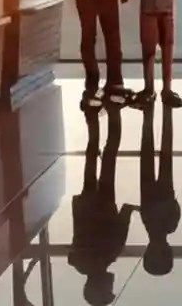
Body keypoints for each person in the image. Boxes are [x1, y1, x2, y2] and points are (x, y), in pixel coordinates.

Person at [69, 104, 133, 306]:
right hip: (86, 203)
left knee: (110, 152)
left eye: (109, 290)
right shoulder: (78, 262)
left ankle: (114, 112)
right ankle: (92, 117)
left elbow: (124, 215)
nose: (112, 286)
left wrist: (136, 209)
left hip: (105, 201)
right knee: (91, 156)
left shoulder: (110, 254)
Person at [138, 101, 180, 279]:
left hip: (158, 193)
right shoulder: (163, 228)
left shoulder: (166, 228)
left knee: (158, 149)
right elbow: (174, 208)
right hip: (157, 193)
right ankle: (157, 109)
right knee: (155, 149)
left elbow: (176, 208)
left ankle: (159, 109)